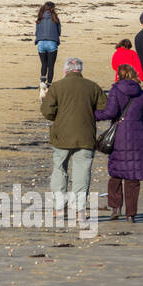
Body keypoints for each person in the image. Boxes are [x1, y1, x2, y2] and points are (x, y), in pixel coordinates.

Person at [40, 57, 107, 220]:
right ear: (80, 70)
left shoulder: (56, 86)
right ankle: (79, 210)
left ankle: (59, 207)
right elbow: (104, 108)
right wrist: (89, 115)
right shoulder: (92, 86)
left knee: (59, 170)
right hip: (85, 136)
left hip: (61, 136)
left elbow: (47, 111)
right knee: (82, 173)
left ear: (65, 70)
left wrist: (60, 116)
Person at [94, 63, 143, 223]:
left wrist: (93, 115)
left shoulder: (116, 90)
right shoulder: (141, 94)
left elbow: (110, 112)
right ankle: (131, 214)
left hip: (119, 137)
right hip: (138, 137)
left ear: (119, 75)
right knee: (133, 179)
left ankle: (115, 207)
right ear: (133, 75)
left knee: (116, 174)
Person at [35, 1, 61, 88]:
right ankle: (49, 84)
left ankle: (42, 81)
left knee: (44, 64)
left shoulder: (39, 18)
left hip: (41, 43)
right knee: (51, 65)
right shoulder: (55, 18)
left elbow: (36, 32)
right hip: (52, 43)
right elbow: (59, 32)